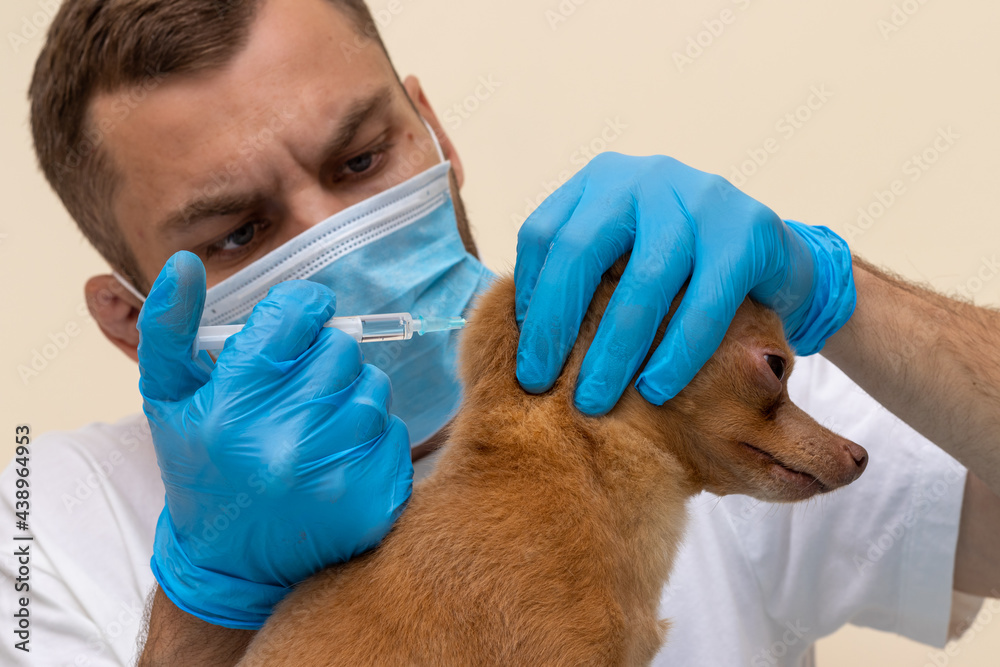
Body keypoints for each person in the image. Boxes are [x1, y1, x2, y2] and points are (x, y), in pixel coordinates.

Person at [1, 0, 998, 665]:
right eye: (238, 232)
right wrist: (207, 603)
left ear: (434, 133)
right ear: (131, 320)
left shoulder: (659, 370)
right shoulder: (39, 523)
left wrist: (834, 289)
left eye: (361, 160)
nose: (340, 241)